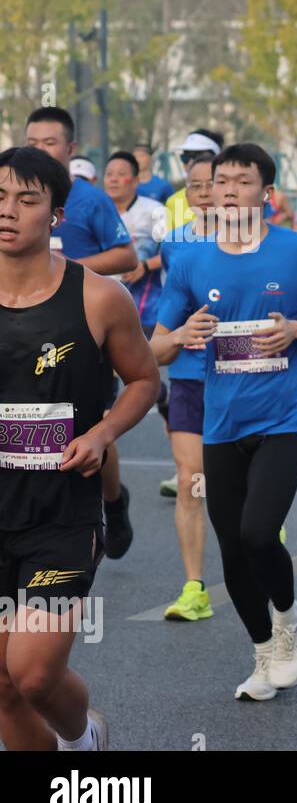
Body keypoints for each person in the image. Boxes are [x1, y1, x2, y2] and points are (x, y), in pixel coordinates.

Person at [152, 143, 297, 700]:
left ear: (268, 194)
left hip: (287, 415)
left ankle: (287, 617)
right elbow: (157, 347)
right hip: (222, 422)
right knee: (232, 548)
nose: (230, 189)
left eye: (242, 180)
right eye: (222, 180)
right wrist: (181, 337)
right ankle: (263, 651)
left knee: (259, 532)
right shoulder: (189, 260)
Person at [0, 146, 159, 750]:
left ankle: (81, 739)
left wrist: (101, 433)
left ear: (57, 216)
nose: (8, 211)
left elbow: (144, 381)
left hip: (60, 514)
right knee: (3, 686)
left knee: (34, 673)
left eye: (25, 199)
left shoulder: (98, 297)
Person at [26, 107, 139, 562]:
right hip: (23, 330)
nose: (40, 150)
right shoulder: (14, 196)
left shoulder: (88, 200)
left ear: (70, 150)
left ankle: (112, 500)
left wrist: (67, 276)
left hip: (82, 327)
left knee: (90, 423)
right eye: (32, 142)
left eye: (49, 143)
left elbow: (126, 255)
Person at [155, 154, 218, 619]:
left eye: (214, 185)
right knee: (190, 481)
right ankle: (194, 587)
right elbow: (161, 337)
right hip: (190, 378)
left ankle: (263, 530)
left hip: (247, 380)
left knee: (240, 493)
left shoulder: (267, 246)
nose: (205, 194)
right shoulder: (175, 245)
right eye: (195, 187)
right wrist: (178, 335)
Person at [104, 151, 168, 334]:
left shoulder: (155, 211)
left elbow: (174, 251)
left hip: (144, 307)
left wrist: (145, 266)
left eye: (121, 174)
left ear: (136, 180)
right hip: (100, 303)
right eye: (109, 174)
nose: (113, 179)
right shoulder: (93, 209)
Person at [164, 130, 224, 231]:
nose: (191, 162)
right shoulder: (173, 202)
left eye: (199, 156)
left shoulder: (233, 197)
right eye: (185, 157)